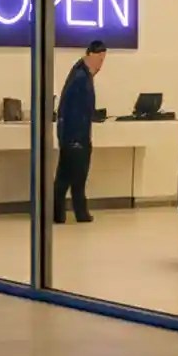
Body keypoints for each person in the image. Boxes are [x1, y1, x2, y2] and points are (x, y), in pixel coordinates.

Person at [54, 40, 108, 224]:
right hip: (76, 135)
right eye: (100, 59)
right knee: (74, 176)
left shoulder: (80, 74)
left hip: (72, 134)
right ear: (91, 55)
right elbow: (74, 110)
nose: (101, 65)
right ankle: (78, 213)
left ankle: (62, 213)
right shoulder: (81, 78)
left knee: (67, 176)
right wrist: (76, 139)